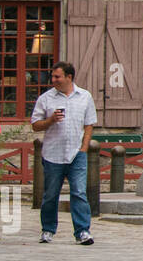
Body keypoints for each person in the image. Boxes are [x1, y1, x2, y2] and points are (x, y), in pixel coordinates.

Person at [30, 62, 98, 245]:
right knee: (51, 194)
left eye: (57, 77)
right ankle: (48, 230)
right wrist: (50, 120)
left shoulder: (84, 96)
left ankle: (82, 231)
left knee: (79, 192)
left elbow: (89, 124)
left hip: (77, 153)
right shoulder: (46, 99)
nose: (53, 80)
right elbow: (35, 125)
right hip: (53, 153)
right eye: (52, 76)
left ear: (69, 77)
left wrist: (84, 147)